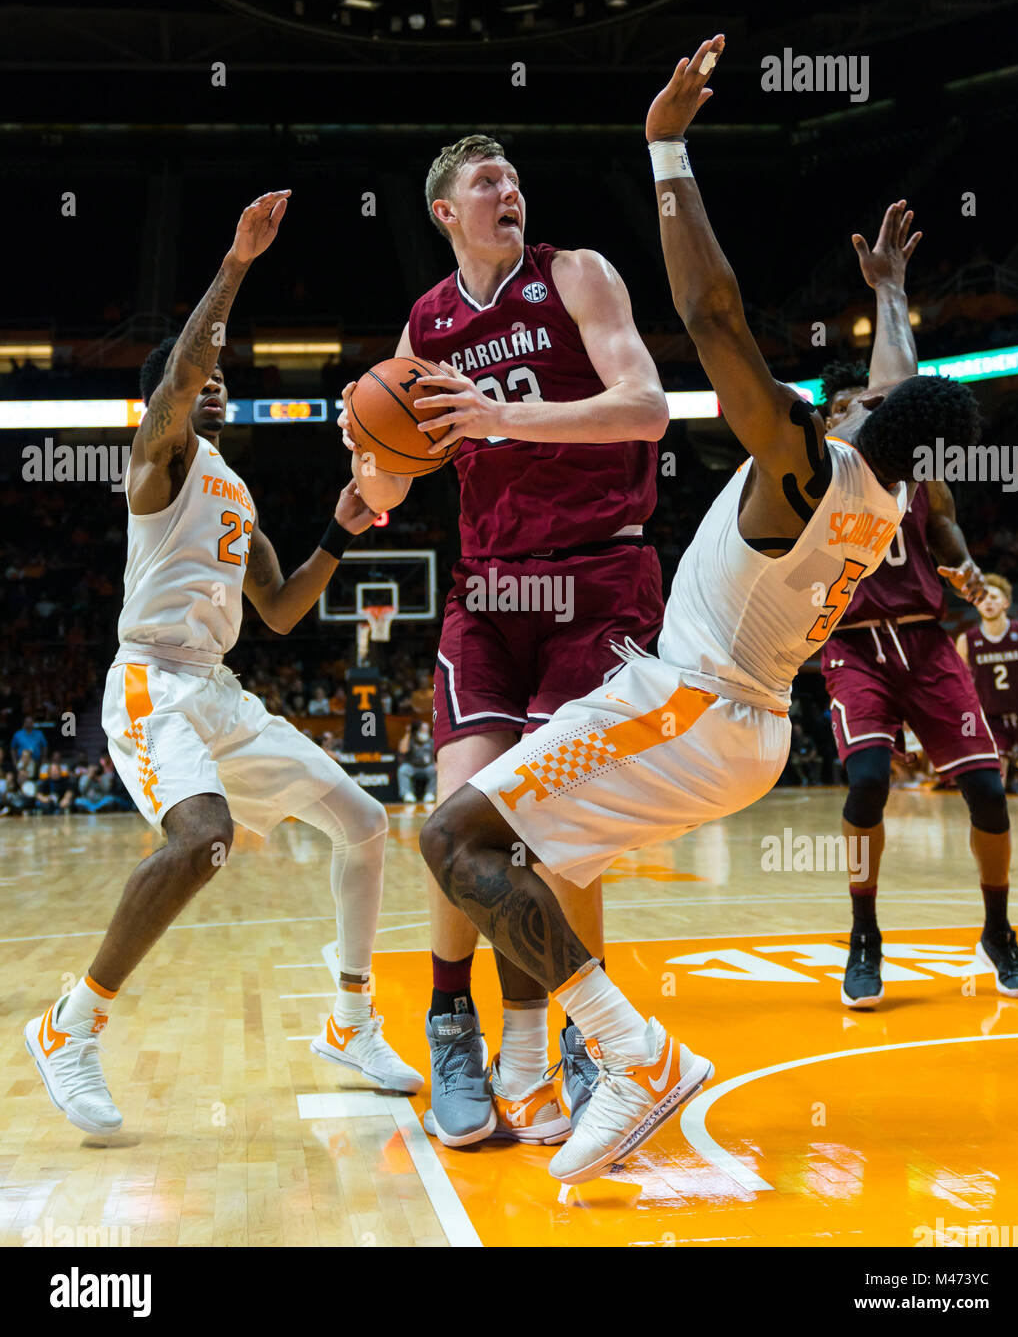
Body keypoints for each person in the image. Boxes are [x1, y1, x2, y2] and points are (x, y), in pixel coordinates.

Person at [419, 38, 986, 1184]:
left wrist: (666, 150)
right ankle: (546, 1053)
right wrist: (886, 296)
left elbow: (712, 314)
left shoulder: (801, 464)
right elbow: (902, 388)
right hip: (749, 727)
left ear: (860, 418)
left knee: (452, 836)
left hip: (688, 701)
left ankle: (629, 1055)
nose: (858, 385)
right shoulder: (882, 496)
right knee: (517, 847)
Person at [24, 191, 421, 1138]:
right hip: (150, 682)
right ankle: (69, 1026)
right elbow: (186, 367)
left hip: (221, 689)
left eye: (216, 380)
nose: (211, 384)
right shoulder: (156, 462)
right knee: (201, 838)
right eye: (194, 377)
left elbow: (280, 611)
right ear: (169, 394)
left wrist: (341, 530)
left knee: (363, 824)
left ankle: (350, 1018)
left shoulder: (235, 490)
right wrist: (238, 262)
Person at [344, 129, 668, 1146]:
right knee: (459, 822)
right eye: (486, 181)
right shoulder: (426, 323)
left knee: (568, 828)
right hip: (489, 591)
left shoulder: (575, 275)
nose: (508, 190)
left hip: (598, 579)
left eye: (515, 178)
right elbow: (393, 484)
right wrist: (369, 454)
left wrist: (497, 419)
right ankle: (450, 1021)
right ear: (446, 211)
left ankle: (585, 1036)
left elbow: (647, 408)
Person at [820, 409, 1018, 1002]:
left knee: (990, 793)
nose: (854, 413)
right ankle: (864, 936)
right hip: (855, 644)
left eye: (862, 404)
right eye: (840, 406)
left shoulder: (919, 473)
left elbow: (946, 534)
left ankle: (998, 932)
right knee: (866, 781)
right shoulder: (816, 476)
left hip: (926, 641)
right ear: (825, 419)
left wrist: (965, 569)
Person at [956, 574, 1018, 771]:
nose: (988, 602)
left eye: (994, 597)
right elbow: (960, 687)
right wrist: (968, 723)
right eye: (982, 598)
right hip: (992, 719)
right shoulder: (966, 641)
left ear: (1006, 603)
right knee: (991, 771)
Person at [398, 720, 436, 806]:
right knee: (403, 769)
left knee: (435, 769)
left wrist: (436, 764)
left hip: (427, 767)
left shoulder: (431, 741)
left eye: (426, 730)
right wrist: (408, 733)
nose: (425, 732)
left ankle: (430, 793)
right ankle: (407, 794)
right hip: (412, 767)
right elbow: (402, 750)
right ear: (417, 731)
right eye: (423, 730)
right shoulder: (410, 740)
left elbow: (435, 756)